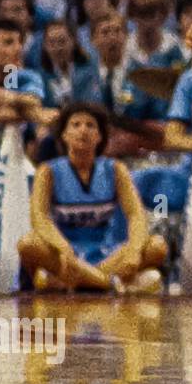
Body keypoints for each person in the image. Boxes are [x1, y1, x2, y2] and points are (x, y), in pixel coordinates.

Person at [18, 102, 168, 292]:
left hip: (106, 252)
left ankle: (72, 282)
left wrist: (134, 251)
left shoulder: (115, 169)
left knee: (157, 246)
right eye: (75, 124)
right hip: (66, 252)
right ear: (64, 134)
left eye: (90, 125)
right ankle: (109, 283)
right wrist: (62, 247)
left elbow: (135, 214)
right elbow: (39, 218)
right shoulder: (47, 171)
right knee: (28, 244)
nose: (83, 130)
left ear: (99, 136)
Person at [0, 17, 58, 290]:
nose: (17, 48)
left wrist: (9, 98)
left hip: (14, 176)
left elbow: (33, 102)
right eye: (7, 42)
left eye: (19, 42)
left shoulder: (22, 76)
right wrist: (27, 111)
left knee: (17, 263)